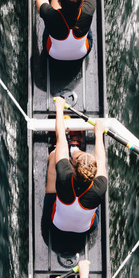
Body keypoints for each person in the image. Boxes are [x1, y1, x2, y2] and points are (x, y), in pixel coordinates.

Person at [44, 96, 107, 235]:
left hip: (56, 224)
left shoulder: (64, 174)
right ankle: (75, 149)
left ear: (73, 167)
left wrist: (59, 109)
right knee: (94, 200)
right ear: (94, 174)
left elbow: (60, 138)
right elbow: (101, 160)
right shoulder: (101, 186)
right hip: (87, 228)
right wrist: (99, 134)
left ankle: (71, 150)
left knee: (54, 155)